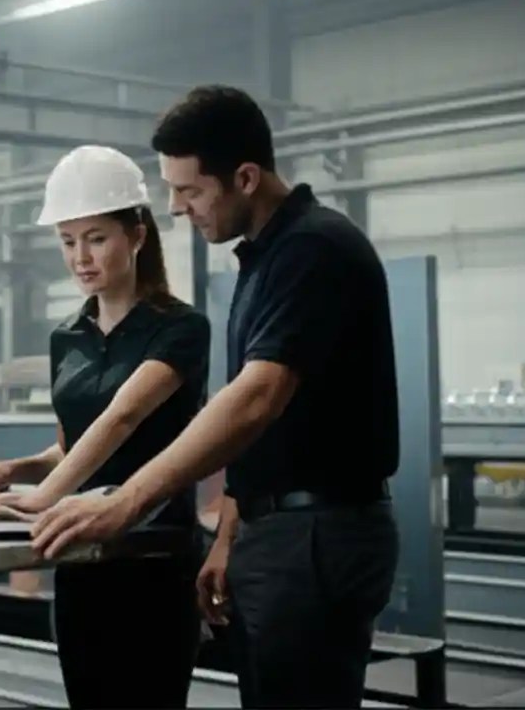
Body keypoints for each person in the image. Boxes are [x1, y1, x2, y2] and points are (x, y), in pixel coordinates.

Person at [25, 86, 402, 709]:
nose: (176, 208)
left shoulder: (312, 248)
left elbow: (256, 399)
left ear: (246, 177)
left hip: (315, 534)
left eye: (190, 191)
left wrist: (127, 502)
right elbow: (260, 431)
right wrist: (230, 534)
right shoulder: (265, 261)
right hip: (276, 528)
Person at [0, 145, 211, 709]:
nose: (81, 257)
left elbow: (123, 417)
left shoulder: (181, 328)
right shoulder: (66, 337)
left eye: (96, 237)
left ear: (138, 234)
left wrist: (40, 496)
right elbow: (73, 445)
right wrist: (18, 470)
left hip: (152, 559)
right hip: (80, 557)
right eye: (68, 241)